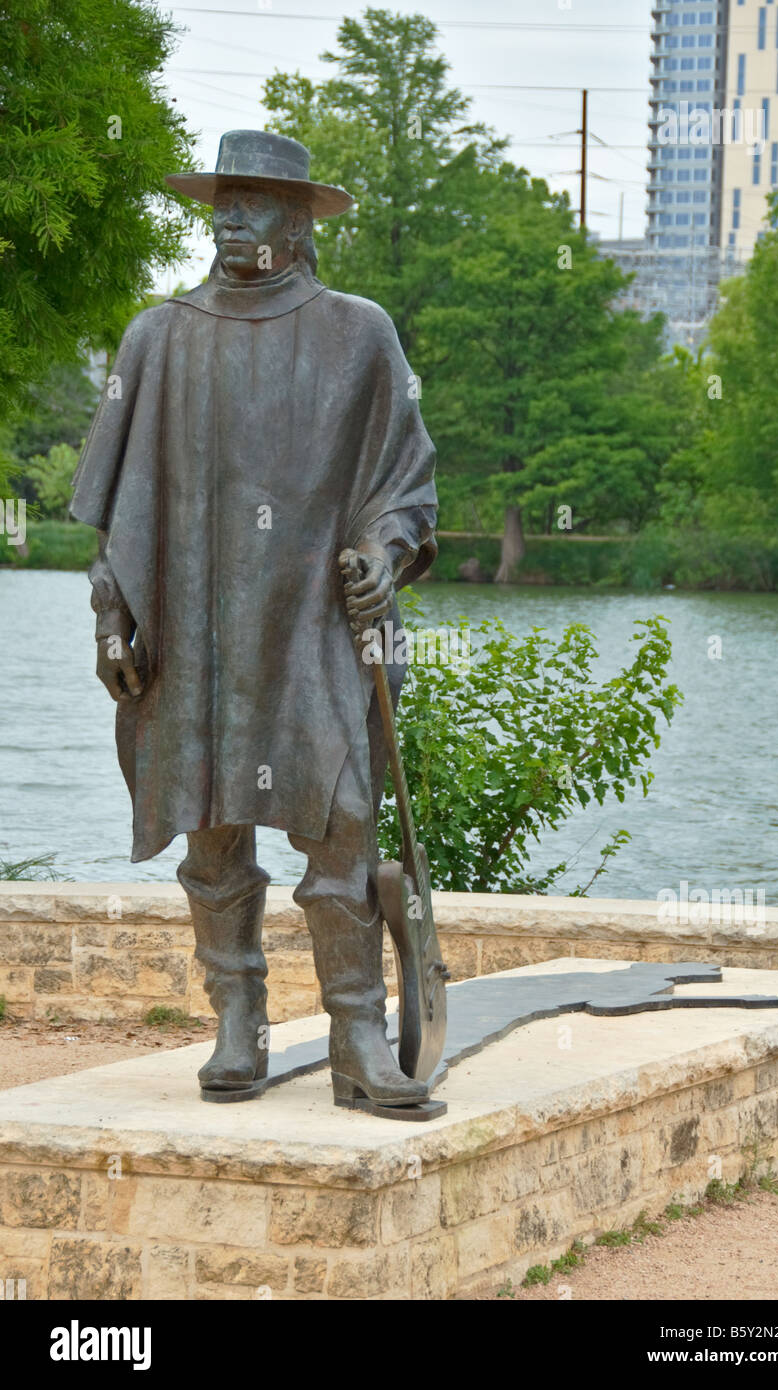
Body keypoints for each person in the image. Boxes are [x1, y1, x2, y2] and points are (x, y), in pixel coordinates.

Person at [71, 130, 438, 1111]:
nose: (232, 217)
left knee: (345, 822)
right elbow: (114, 517)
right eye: (222, 200)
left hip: (312, 626)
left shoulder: (359, 335)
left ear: (300, 217)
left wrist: (381, 553)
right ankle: (240, 1025)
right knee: (211, 824)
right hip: (193, 628)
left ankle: (359, 1038)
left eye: (256, 201)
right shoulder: (159, 337)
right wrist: (113, 615)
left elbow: (405, 488)